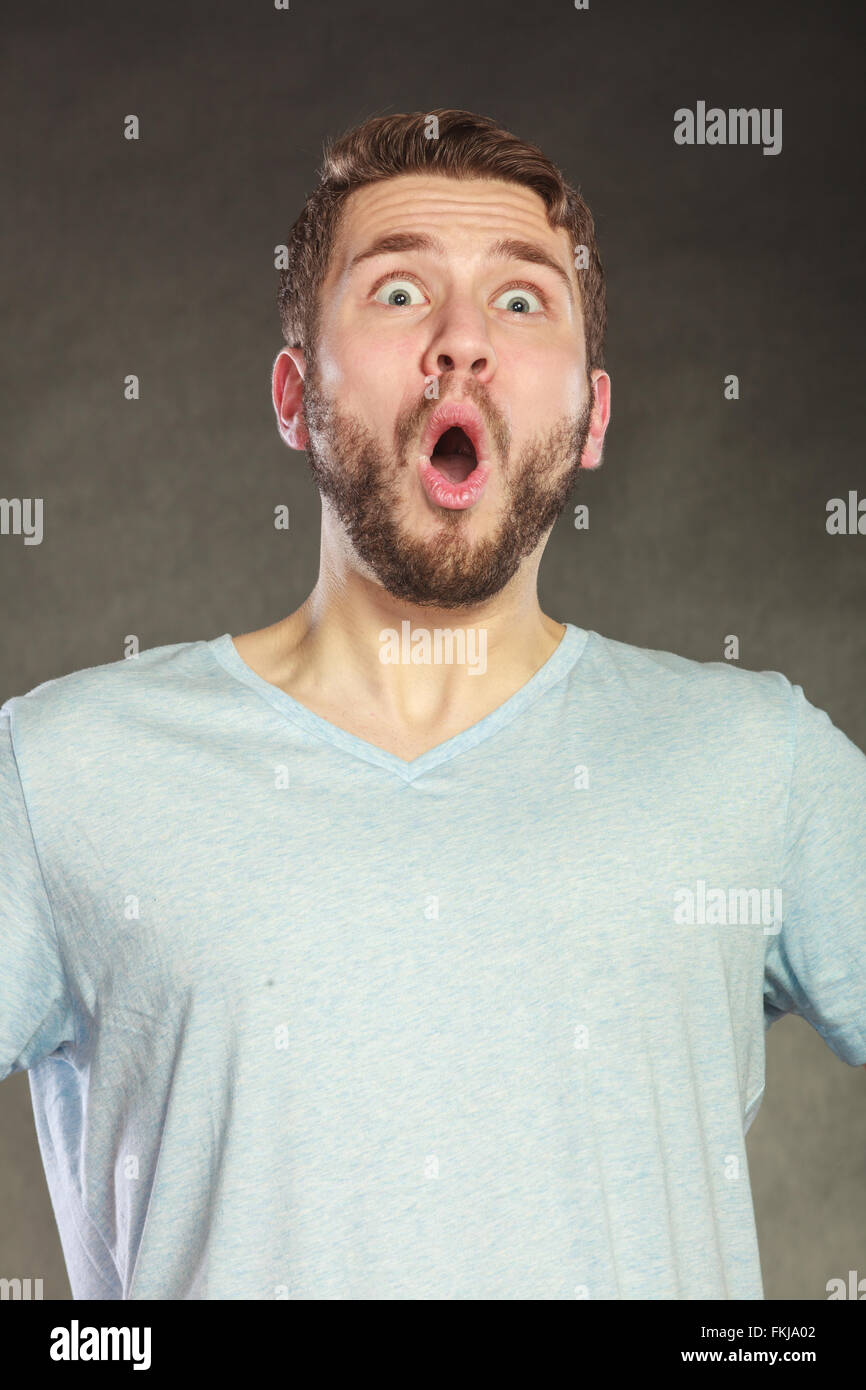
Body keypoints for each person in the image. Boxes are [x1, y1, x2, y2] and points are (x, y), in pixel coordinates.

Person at [1, 109, 864, 1301]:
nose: (461, 340)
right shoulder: (57, 772)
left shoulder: (756, 761)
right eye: (399, 292)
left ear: (592, 416)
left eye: (520, 302)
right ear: (296, 395)